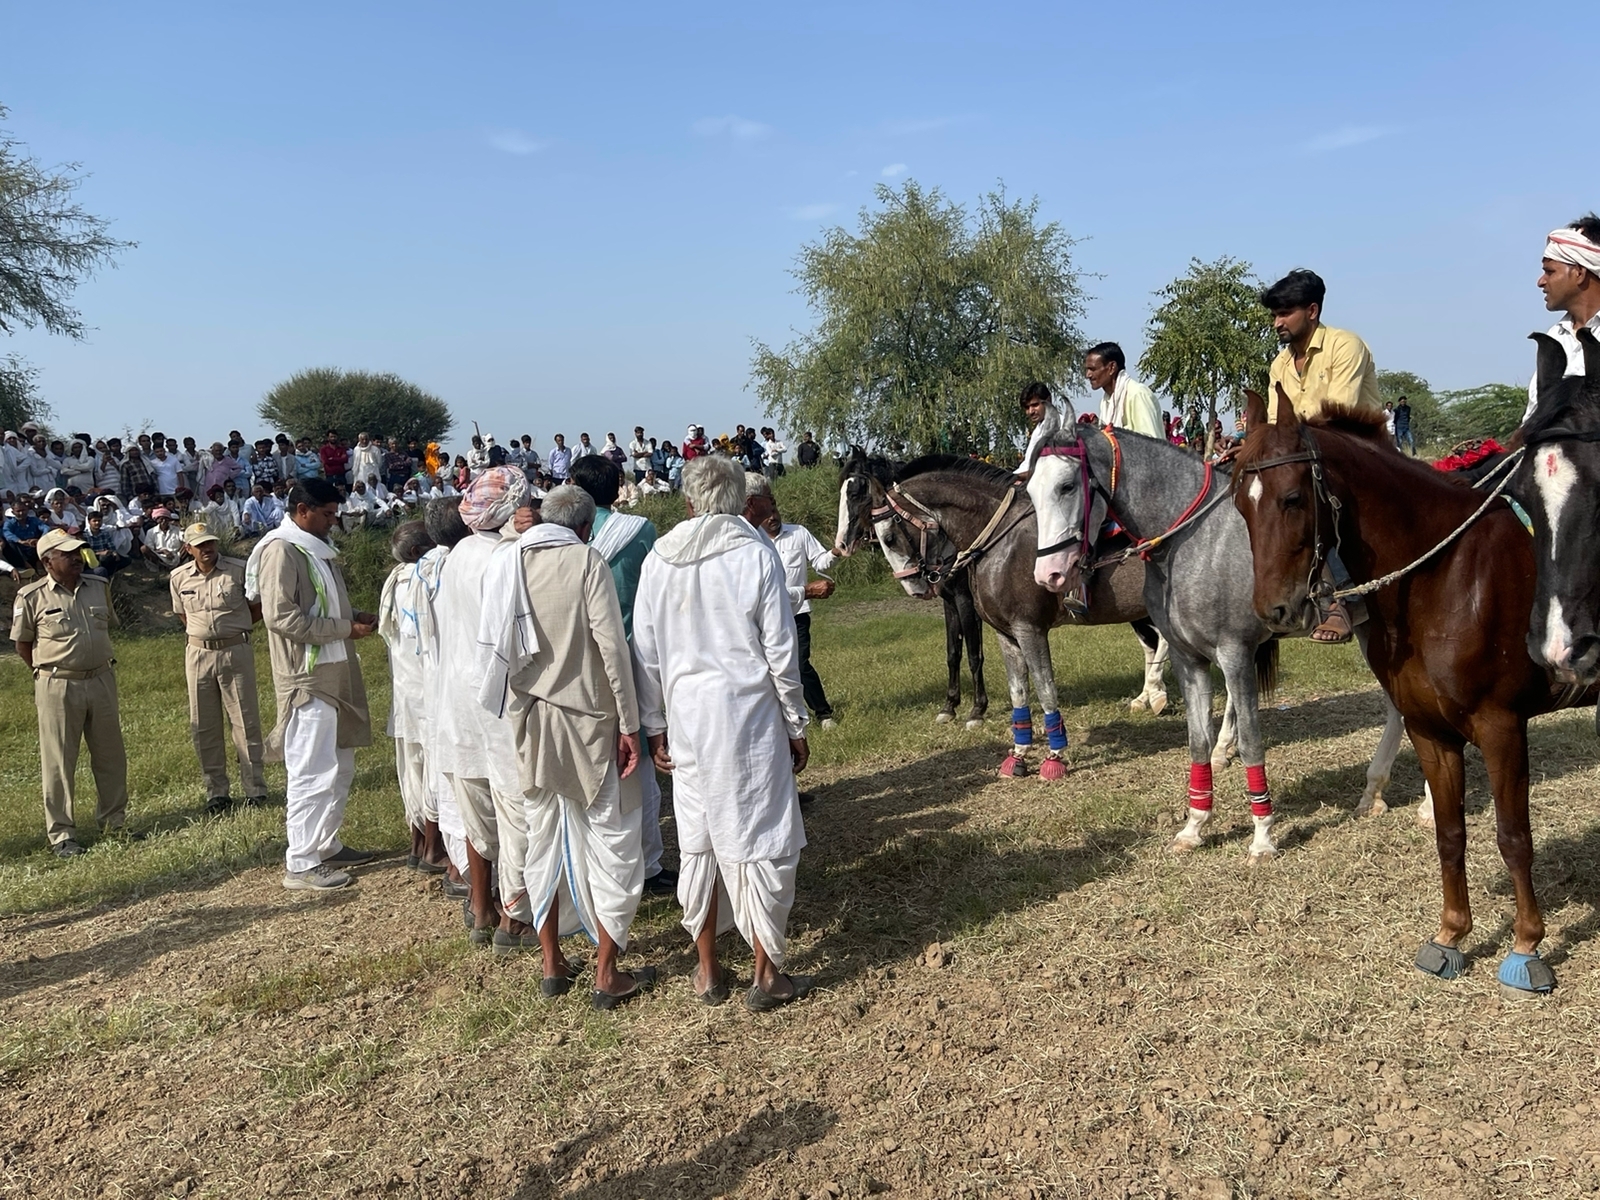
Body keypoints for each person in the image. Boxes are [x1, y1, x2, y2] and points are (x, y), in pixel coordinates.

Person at [633, 455, 813, 1010]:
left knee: (701, 841)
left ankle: (708, 970)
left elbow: (646, 652)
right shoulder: (755, 554)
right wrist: (795, 721)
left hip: (688, 723)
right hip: (749, 720)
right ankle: (765, 973)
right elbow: (781, 652)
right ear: (740, 501)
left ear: (688, 503)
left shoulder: (659, 558)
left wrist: (656, 725)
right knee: (762, 839)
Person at [485, 484, 654, 1005]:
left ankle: (552, 963)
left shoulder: (505, 562)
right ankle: (606, 972)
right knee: (612, 842)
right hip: (589, 722)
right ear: (584, 527)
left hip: (529, 722)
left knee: (541, 841)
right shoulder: (584, 561)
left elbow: (494, 652)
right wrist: (630, 725)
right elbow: (611, 646)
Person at [248, 477, 379, 890]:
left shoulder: (316, 550)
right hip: (307, 676)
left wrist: (356, 616)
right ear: (302, 510)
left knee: (340, 763)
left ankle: (325, 843)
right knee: (311, 767)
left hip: (336, 668)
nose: (331, 522)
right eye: (326, 514)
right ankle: (301, 861)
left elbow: (324, 604)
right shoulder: (281, 550)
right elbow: (281, 618)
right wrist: (345, 628)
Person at [1261, 268, 1383, 643]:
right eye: (1275, 315)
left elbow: (1336, 416)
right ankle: (1277, 595)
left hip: (1362, 455)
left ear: (1312, 311)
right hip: (1309, 456)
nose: (1278, 322)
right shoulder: (1280, 364)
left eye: (1285, 313)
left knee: (1309, 497)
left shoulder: (1346, 346)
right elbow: (1273, 423)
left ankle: (1345, 599)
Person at [432, 467, 528, 945]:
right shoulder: (504, 560)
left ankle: (481, 906)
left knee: (476, 812)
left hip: (457, 703)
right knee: (513, 811)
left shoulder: (456, 556)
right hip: (497, 703)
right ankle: (514, 917)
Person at [12, 527, 130, 857]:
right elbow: (23, 644)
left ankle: (114, 822)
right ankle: (62, 834)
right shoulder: (32, 597)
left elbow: (109, 626)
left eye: (78, 552)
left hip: (102, 679)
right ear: (48, 562)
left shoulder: (98, 587)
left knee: (111, 756)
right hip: (58, 684)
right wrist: (48, 671)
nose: (76, 558)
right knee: (59, 762)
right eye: (67, 554)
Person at [170, 522, 267, 814]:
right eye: (200, 545)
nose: (207, 549)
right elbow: (182, 615)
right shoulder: (177, 578)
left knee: (245, 720)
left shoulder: (238, 570)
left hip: (235, 651)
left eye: (210, 543)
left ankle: (255, 789)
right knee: (205, 725)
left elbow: (257, 607)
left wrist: (232, 630)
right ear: (188, 549)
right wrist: (205, 636)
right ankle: (217, 792)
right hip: (198, 655)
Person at [377, 519, 449, 873]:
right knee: (432, 769)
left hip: (405, 691)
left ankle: (418, 845)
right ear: (420, 552)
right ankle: (434, 849)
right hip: (425, 690)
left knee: (413, 768)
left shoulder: (396, 581)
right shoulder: (426, 580)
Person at [746, 474, 837, 730]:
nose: (773, 517)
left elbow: (819, 560)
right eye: (768, 514)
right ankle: (781, 717)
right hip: (764, 617)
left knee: (799, 663)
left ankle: (823, 713)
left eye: (776, 511)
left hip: (796, 612)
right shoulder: (752, 543)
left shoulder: (799, 533)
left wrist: (836, 553)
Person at [1526, 214, 1600, 423]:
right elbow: (1532, 420)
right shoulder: (1556, 337)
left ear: (1579, 272)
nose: (1541, 282)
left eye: (1549, 272)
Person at [1084, 343, 1163, 438]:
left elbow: (1152, 444)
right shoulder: (1105, 401)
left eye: (1092, 369)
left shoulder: (1137, 394)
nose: (1088, 375)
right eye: (1087, 369)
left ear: (1112, 367)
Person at [1013, 381, 1063, 479]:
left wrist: (1017, 478)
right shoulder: (1039, 429)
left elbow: (1052, 467)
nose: (1030, 411)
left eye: (1035, 405)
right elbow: (1027, 464)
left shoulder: (1061, 426)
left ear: (1048, 401)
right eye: (1027, 407)